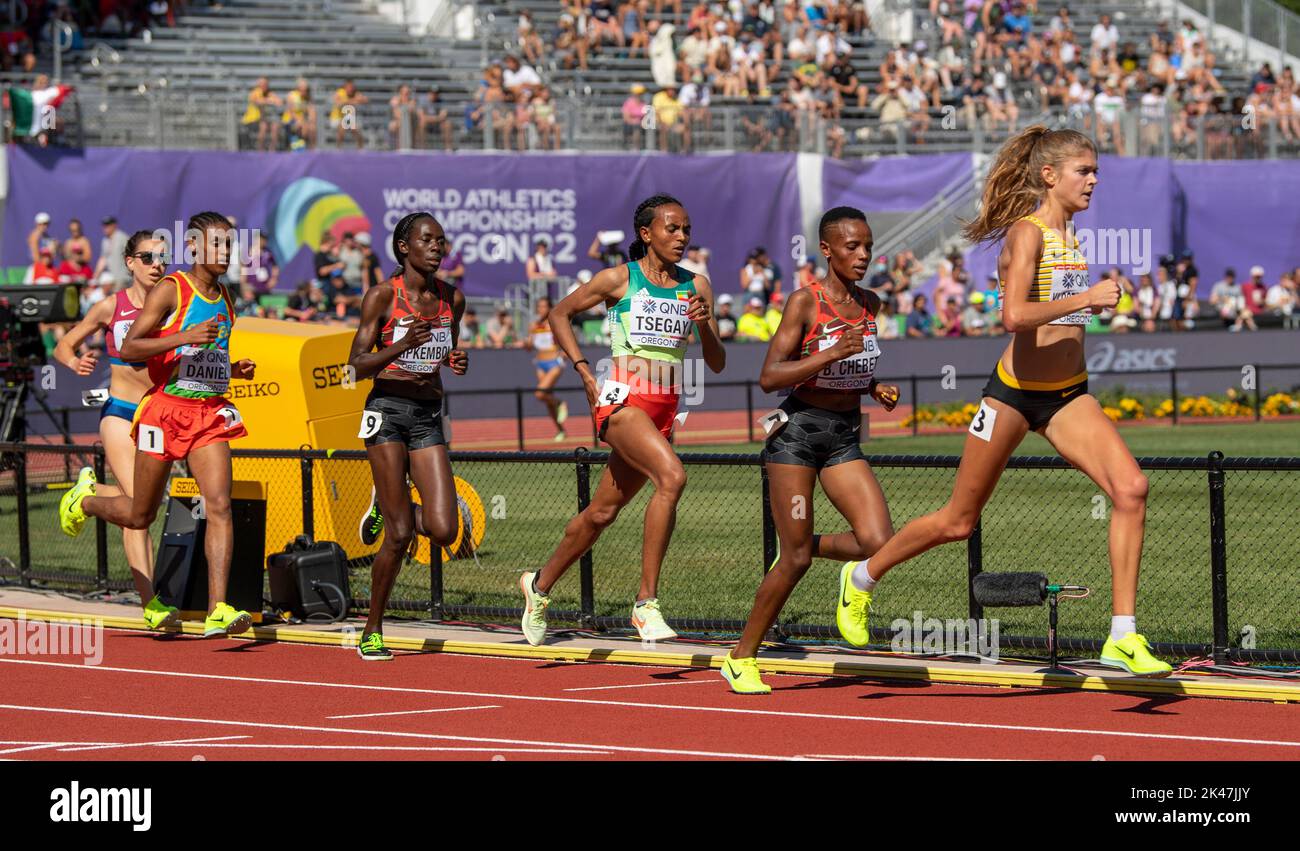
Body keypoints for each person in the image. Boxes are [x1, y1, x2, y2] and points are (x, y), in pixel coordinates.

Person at [833, 126, 1172, 677]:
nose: (1093, 180)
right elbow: (1013, 317)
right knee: (958, 521)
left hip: (1067, 396)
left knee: (1132, 487)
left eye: (1095, 171)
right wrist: (1087, 297)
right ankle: (862, 576)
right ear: (1049, 176)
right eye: (1083, 171)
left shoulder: (1072, 235)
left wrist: (1087, 307)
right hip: (1014, 396)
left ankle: (1123, 635)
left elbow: (1060, 311)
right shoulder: (1028, 234)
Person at [518, 194, 724, 644]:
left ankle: (538, 586)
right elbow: (559, 314)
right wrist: (583, 370)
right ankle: (646, 604)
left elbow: (717, 363)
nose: (682, 237)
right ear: (646, 234)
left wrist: (706, 324)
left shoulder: (698, 286)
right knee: (671, 478)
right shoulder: (618, 278)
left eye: (686, 229)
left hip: (666, 408)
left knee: (602, 512)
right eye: (672, 228)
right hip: (622, 401)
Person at [722, 207, 900, 693]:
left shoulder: (871, 304)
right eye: (851, 246)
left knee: (878, 541)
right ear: (826, 250)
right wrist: (829, 353)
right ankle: (741, 658)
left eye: (867, 245)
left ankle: (808, 546)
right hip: (797, 435)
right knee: (794, 561)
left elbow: (852, 368)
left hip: (843, 434)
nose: (862, 255)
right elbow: (768, 377)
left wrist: (874, 386)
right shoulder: (805, 302)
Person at [59, 212, 259, 638]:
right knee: (139, 512)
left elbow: (210, 355)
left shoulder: (226, 297)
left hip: (207, 412)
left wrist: (233, 369)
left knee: (219, 504)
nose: (224, 253)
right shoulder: (172, 289)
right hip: (162, 411)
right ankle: (86, 501)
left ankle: (218, 608)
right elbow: (132, 346)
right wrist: (184, 337)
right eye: (216, 244)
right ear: (193, 247)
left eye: (229, 245)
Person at [347, 213, 468, 660]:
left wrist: (455, 360)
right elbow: (354, 366)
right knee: (398, 535)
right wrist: (399, 345)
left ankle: (388, 499)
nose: (437, 247)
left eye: (441, 240)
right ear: (403, 247)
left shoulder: (452, 298)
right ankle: (372, 630)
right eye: (427, 240)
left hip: (427, 414)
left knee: (443, 529)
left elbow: (445, 351)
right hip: (386, 413)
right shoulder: (382, 296)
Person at [53, 231, 175, 627]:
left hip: (159, 414)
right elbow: (64, 345)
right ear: (130, 262)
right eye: (148, 257)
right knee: (141, 505)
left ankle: (87, 495)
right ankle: (151, 605)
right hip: (121, 411)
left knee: (144, 507)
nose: (157, 264)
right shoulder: (111, 307)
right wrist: (74, 364)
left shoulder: (175, 305)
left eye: (162, 257)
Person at [523, 297, 569, 441]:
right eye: (539, 306)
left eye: (544, 306)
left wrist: (564, 353)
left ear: (549, 308)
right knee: (547, 401)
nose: (541, 309)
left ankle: (560, 403)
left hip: (554, 362)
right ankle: (560, 430)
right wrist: (528, 339)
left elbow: (567, 338)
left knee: (540, 393)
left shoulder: (554, 322)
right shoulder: (534, 325)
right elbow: (529, 348)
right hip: (540, 363)